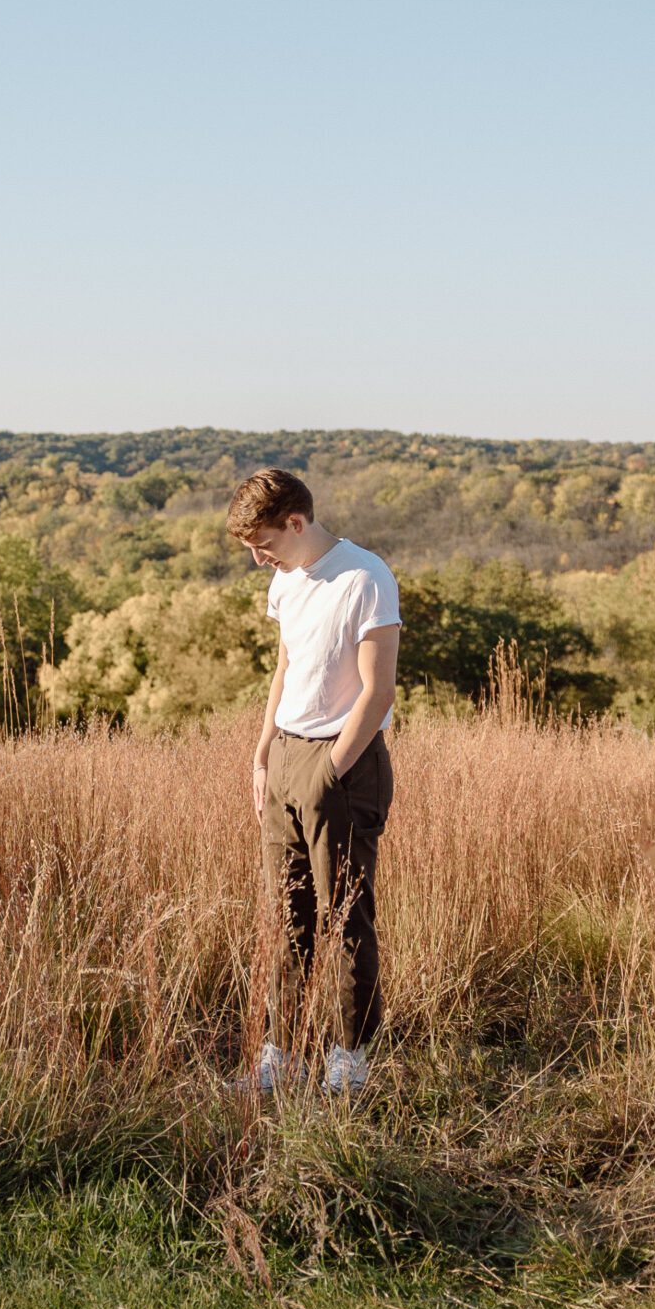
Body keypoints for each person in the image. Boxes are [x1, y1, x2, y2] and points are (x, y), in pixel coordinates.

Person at [229, 468, 400, 1098]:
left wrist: (333, 770)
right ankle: (280, 1060)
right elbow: (287, 666)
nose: (258, 559)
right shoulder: (284, 580)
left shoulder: (365, 578)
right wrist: (262, 749)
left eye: (264, 543)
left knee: (344, 915)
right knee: (287, 915)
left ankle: (349, 1068)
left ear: (296, 523)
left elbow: (377, 688)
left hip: (344, 765)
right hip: (286, 757)